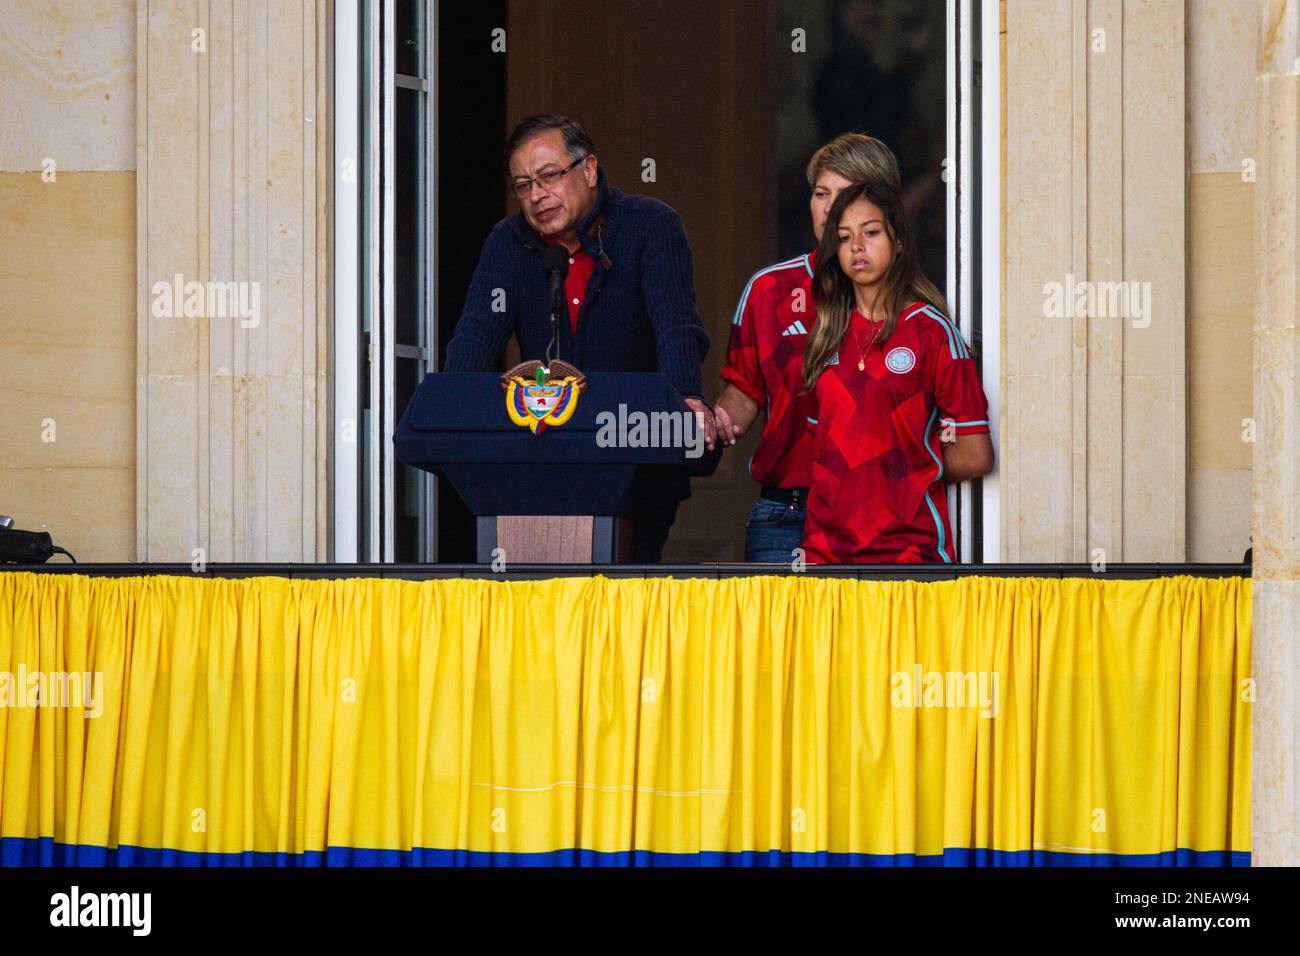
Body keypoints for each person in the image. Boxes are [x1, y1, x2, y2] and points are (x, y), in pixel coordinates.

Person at [443, 115, 714, 562]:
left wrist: (686, 399)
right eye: (523, 185)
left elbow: (675, 328)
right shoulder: (509, 242)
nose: (536, 196)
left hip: (634, 457)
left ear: (589, 170)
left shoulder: (648, 225)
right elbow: (476, 335)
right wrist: (452, 407)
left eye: (549, 176)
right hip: (539, 463)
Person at [713, 134, 900, 562]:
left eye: (845, 195)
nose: (829, 209)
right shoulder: (770, 290)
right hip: (786, 515)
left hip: (884, 516)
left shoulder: (912, 306)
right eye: (821, 193)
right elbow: (745, 393)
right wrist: (709, 422)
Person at [799, 181, 993, 563]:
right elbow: (823, 451)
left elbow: (975, 454)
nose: (857, 246)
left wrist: (897, 472)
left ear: (899, 239)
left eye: (870, 233)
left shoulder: (931, 331)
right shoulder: (825, 334)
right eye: (844, 237)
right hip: (824, 555)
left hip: (907, 554)